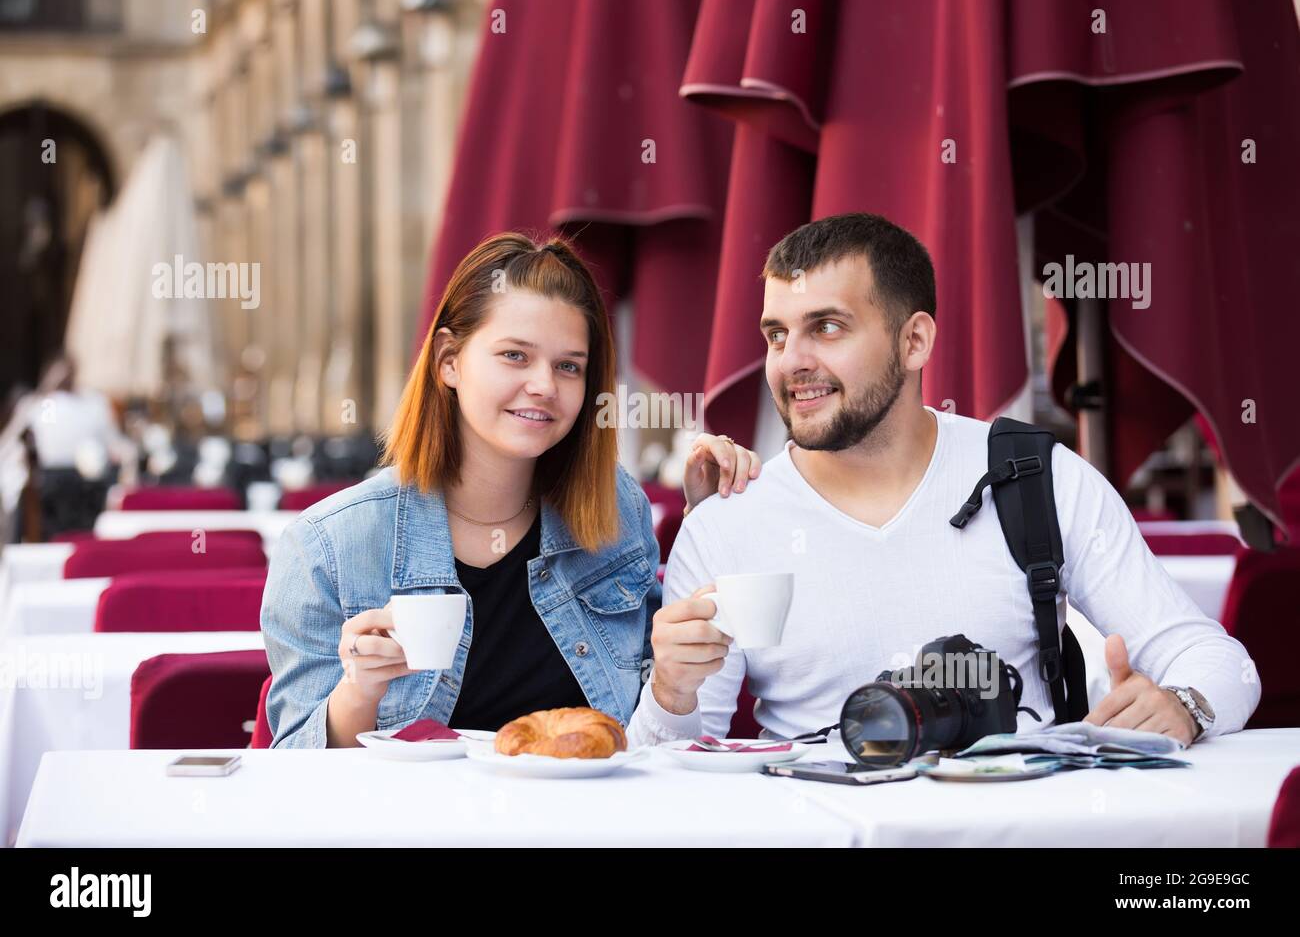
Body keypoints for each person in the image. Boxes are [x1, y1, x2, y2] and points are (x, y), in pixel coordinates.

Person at [628, 212, 1260, 748]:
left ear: (915, 341)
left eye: (826, 327)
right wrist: (670, 692)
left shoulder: (1036, 477)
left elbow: (1219, 663)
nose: (793, 361)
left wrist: (1186, 707)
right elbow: (684, 763)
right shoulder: (728, 521)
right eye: (776, 334)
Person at [262, 232, 760, 748]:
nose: (545, 385)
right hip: (415, 826)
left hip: (590, 822)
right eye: (515, 356)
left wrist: (709, 517)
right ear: (448, 361)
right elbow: (295, 770)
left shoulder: (616, 511)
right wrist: (358, 692)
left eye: (569, 366)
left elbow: (653, 736)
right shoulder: (326, 545)